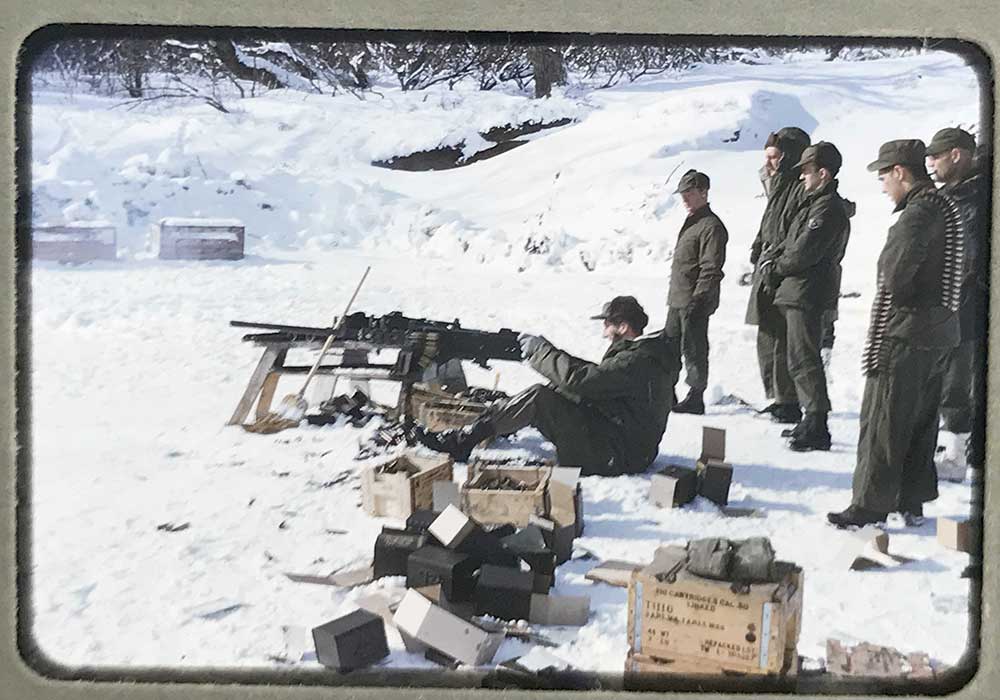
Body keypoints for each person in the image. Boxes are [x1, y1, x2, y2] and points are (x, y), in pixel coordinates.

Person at [828, 139, 964, 528]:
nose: (885, 185)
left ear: (901, 173)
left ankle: (870, 504)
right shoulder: (945, 206)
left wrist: (897, 283)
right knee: (921, 421)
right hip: (938, 332)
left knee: (885, 419)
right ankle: (911, 498)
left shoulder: (918, 214)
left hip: (906, 332)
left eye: (885, 176)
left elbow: (895, 273)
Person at [414, 296, 681, 476]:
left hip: (619, 455)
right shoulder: (646, 356)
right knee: (556, 390)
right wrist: (549, 354)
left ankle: (465, 441)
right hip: (628, 445)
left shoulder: (636, 361)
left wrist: (541, 353)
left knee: (542, 397)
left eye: (608, 324)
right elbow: (595, 378)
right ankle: (486, 428)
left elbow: (582, 380)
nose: (604, 331)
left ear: (623, 327)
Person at [761, 142, 851, 451]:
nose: (802, 178)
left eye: (807, 172)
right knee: (797, 357)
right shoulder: (814, 204)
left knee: (805, 358)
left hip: (808, 291)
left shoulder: (826, 208)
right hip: (798, 291)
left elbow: (803, 251)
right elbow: (790, 240)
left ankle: (817, 422)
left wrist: (777, 267)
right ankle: (810, 417)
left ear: (823, 174)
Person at [925, 127, 989, 481]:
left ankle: (961, 458)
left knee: (958, 384)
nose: (932, 163)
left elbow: (967, 258)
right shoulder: (954, 195)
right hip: (951, 305)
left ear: (958, 155)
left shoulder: (976, 197)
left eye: (937, 155)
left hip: (966, 304)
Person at [746, 127, 812, 424]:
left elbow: (793, 231)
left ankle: (789, 400)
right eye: (767, 157)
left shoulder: (798, 187)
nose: (769, 163)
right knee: (768, 333)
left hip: (783, 271)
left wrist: (775, 257)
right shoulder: (778, 185)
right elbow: (770, 221)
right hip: (768, 266)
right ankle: (777, 396)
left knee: (785, 338)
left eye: (775, 157)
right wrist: (758, 245)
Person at [664, 169, 728, 415]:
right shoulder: (693, 222)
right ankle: (667, 391)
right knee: (670, 347)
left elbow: (711, 267)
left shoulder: (711, 226)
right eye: (683, 194)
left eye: (689, 193)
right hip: (678, 297)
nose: (685, 199)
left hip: (694, 299)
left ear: (703, 192)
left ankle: (695, 395)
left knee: (694, 348)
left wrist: (700, 298)